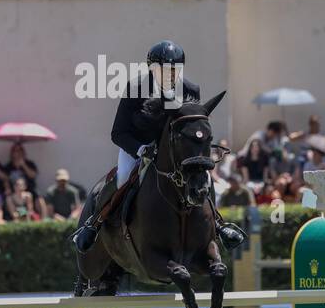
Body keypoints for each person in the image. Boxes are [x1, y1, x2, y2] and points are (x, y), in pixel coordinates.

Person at [71, 40, 244, 253]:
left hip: (174, 152)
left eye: (175, 69)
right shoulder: (136, 89)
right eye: (165, 69)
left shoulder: (189, 89)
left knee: (205, 178)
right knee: (123, 178)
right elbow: (118, 133)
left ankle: (217, 224)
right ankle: (96, 223)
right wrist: (140, 149)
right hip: (137, 148)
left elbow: (192, 125)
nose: (171, 74)